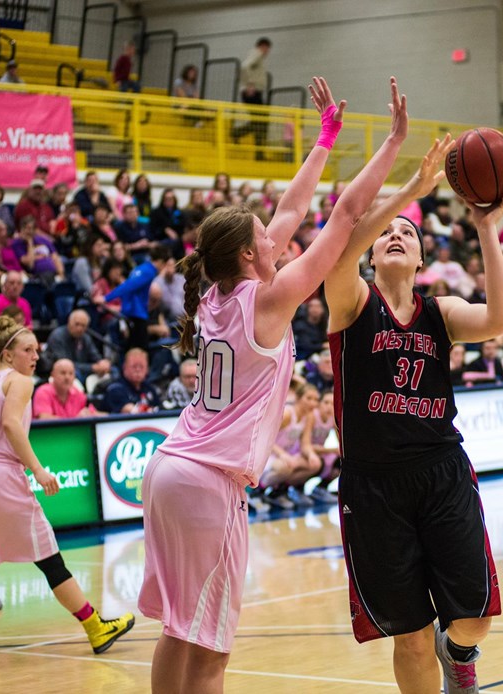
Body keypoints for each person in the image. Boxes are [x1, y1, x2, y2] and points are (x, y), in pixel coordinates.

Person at [138, 76, 404, 694]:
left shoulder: (215, 292)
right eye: (265, 235)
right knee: (211, 652)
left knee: (179, 630)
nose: (276, 233)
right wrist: (391, 143)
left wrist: (326, 141)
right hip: (209, 483)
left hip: (169, 469)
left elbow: (292, 211)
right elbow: (341, 216)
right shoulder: (274, 297)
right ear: (253, 254)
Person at [322, 126, 503, 690]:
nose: (397, 236)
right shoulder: (351, 302)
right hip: (373, 484)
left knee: (474, 617)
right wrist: (410, 190)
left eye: (409, 232)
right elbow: (343, 247)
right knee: (408, 633)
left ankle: (457, 653)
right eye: (388, 234)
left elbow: (501, 319)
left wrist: (486, 227)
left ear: (424, 254)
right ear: (375, 251)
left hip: (441, 472)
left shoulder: (442, 311)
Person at [0, 315, 133, 660]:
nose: (35, 356)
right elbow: (9, 424)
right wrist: (37, 470)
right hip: (0, 476)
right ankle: (96, 627)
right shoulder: (20, 381)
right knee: (50, 559)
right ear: (8, 354)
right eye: (28, 350)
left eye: (37, 349)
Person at [94, 243, 170, 354]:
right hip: (137, 315)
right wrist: (106, 298)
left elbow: (129, 287)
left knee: (133, 350)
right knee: (139, 352)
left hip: (133, 312)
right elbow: (128, 286)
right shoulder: (148, 272)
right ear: (161, 262)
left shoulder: (140, 268)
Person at [44, 309, 113, 383]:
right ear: (69, 322)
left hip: (83, 370)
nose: (79, 328)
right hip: (62, 373)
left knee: (113, 370)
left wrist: (102, 363)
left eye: (83, 326)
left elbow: (95, 356)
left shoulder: (86, 338)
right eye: (77, 324)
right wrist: (92, 368)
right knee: (74, 374)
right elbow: (64, 364)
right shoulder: (57, 336)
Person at [231, 38, 271, 158]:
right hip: (252, 92)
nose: (267, 52)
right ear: (263, 47)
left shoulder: (255, 55)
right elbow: (244, 66)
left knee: (259, 121)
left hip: (254, 91)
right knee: (261, 121)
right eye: (267, 48)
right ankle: (237, 133)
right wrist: (250, 84)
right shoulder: (257, 54)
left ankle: (258, 152)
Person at [34, 359, 101, 419]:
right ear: (52, 375)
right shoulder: (43, 392)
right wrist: (76, 420)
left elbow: (95, 414)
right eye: (63, 373)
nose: (67, 377)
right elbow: (44, 418)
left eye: (71, 373)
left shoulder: (77, 393)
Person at [104, 348, 160, 414]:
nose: (138, 370)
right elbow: (130, 411)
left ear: (147, 369)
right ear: (124, 367)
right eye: (134, 366)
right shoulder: (115, 389)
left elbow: (160, 409)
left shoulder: (150, 389)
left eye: (141, 366)